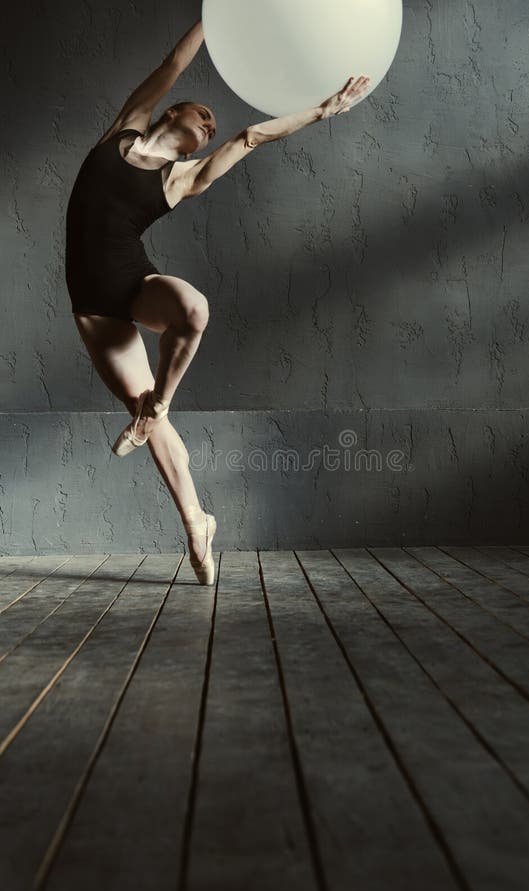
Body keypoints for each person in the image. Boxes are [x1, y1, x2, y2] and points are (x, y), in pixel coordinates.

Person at [65, 17, 370, 585]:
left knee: (194, 310)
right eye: (202, 114)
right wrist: (216, 14)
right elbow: (173, 64)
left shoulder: (181, 180)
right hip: (93, 305)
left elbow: (251, 136)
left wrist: (321, 112)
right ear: (171, 111)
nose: (209, 125)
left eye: (211, 127)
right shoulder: (122, 132)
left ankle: (158, 403)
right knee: (152, 431)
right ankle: (197, 521)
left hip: (135, 283)